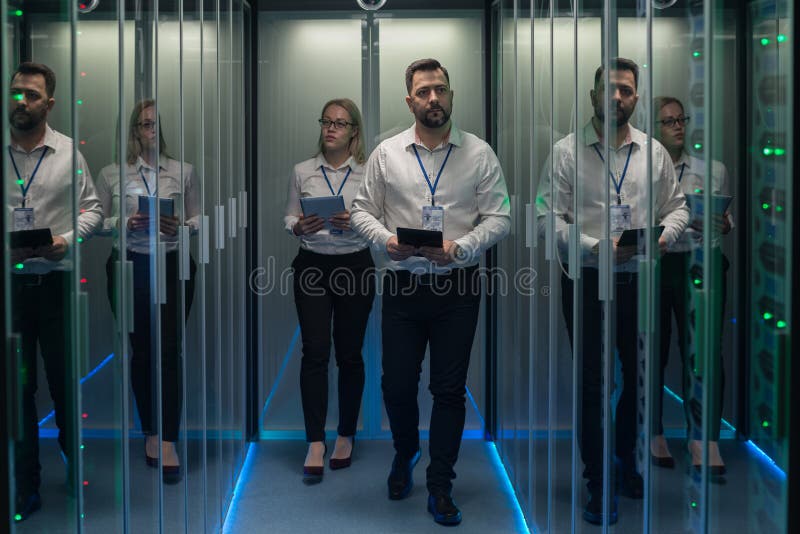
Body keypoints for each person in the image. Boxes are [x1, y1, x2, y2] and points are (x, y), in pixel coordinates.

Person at [351, 58, 511, 526]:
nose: (433, 99)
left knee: (447, 390)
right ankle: (405, 452)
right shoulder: (386, 154)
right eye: (423, 92)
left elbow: (501, 217)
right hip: (402, 284)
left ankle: (440, 484)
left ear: (452, 94)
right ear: (410, 100)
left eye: (440, 89)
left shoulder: (479, 153)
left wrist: (461, 247)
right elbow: (362, 211)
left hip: (458, 286)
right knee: (396, 384)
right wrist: (387, 242)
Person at [536, 58, 688, 525]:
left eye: (625, 89)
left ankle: (623, 460)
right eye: (609, 90)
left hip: (641, 281)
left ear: (636, 97)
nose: (616, 98)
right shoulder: (565, 152)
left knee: (640, 382)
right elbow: (545, 218)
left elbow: (676, 207)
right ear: (593, 96)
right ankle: (596, 480)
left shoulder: (654, 153)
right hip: (587, 281)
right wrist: (596, 248)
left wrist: (664, 236)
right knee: (595, 384)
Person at [6, 62, 103, 520]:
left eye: (29, 94)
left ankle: (72, 460)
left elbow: (94, 212)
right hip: (9, 290)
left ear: (49, 103)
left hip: (56, 286)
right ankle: (26, 484)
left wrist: (66, 240)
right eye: (15, 93)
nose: (20, 101)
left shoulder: (68, 153)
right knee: (17, 389)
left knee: (65, 383)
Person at [95, 99, 199, 484]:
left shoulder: (183, 171)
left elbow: (197, 218)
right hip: (130, 265)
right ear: (133, 131)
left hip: (172, 265)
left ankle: (169, 438)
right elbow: (97, 222)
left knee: (170, 350)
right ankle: (150, 432)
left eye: (155, 124)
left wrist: (182, 229)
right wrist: (125, 221)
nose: (149, 130)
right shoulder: (111, 174)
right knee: (141, 351)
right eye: (143, 125)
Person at [284, 98, 375, 485]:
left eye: (340, 123)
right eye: (326, 121)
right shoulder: (303, 170)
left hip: (355, 265)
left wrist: (358, 222)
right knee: (315, 352)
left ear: (354, 131)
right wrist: (296, 226)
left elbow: (382, 220)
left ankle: (345, 434)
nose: (331, 128)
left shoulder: (370, 172)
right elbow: (289, 213)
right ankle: (315, 441)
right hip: (313, 266)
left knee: (350, 354)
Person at [651, 96, 731, 474]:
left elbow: (725, 219)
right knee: (652, 351)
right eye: (668, 121)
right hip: (657, 262)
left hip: (701, 263)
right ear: (654, 127)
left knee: (703, 353)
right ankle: (653, 433)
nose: (678, 126)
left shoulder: (712, 170)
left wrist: (724, 224)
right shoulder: (641, 169)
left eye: (681, 119)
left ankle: (705, 438)